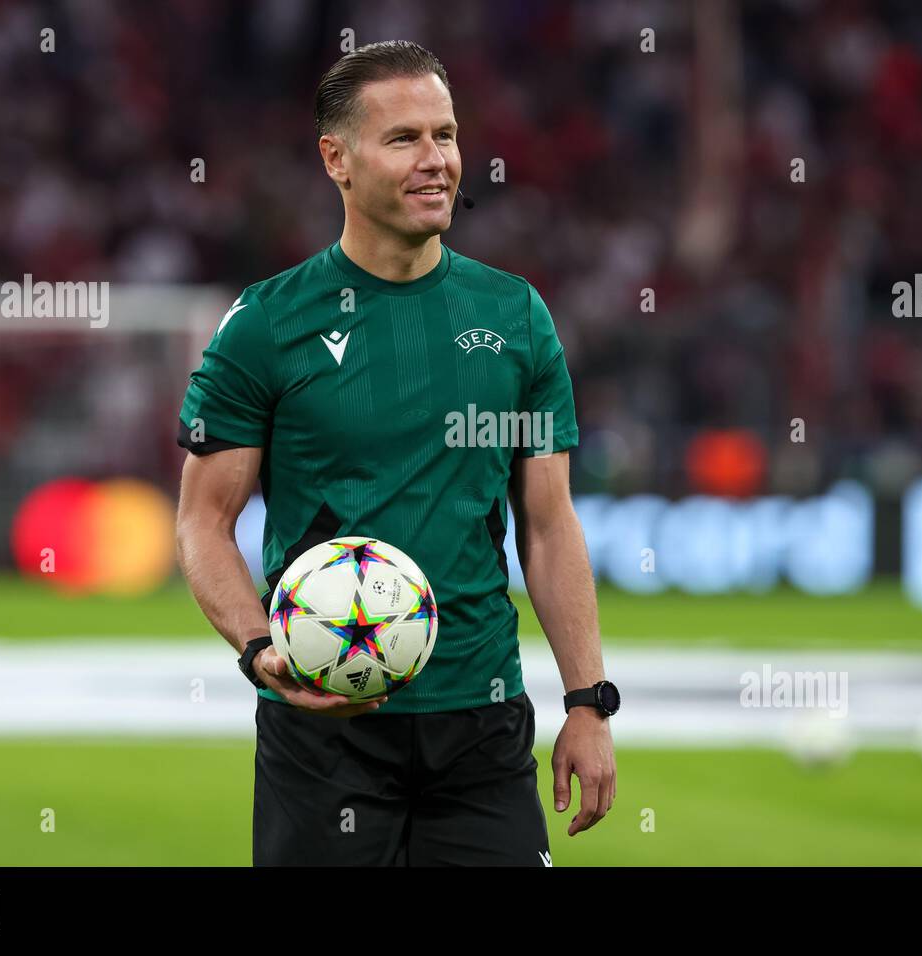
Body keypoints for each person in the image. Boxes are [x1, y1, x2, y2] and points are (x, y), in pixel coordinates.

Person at [174, 40, 618, 866]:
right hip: (323, 733)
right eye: (405, 138)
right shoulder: (267, 327)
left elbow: (550, 526)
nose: (437, 161)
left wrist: (588, 702)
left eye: (446, 135)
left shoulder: (516, 317)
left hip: (481, 725)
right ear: (336, 159)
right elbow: (204, 521)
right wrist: (258, 649)